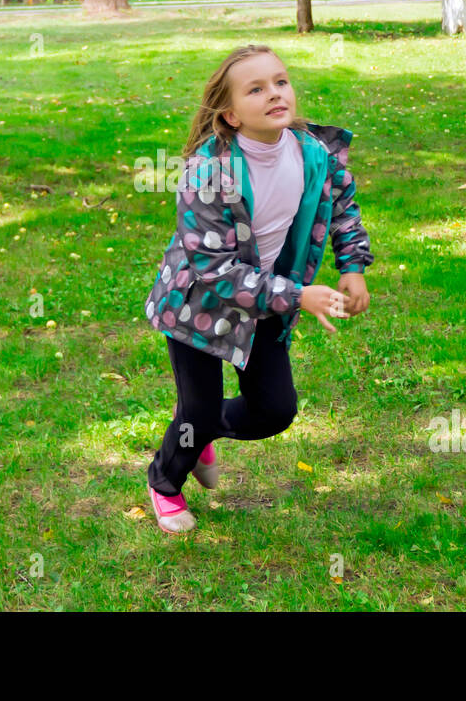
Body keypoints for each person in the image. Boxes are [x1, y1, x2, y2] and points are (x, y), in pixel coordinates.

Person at [142, 43, 374, 533]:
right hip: (197, 305)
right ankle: (165, 481)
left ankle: (197, 431)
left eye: (280, 82)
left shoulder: (317, 153)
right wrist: (298, 297)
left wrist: (352, 266)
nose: (274, 94)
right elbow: (213, 268)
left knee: (275, 411)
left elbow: (343, 209)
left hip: (267, 302)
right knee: (198, 409)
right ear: (229, 114)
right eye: (256, 89)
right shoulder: (208, 171)